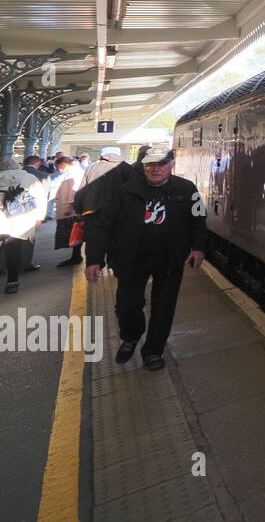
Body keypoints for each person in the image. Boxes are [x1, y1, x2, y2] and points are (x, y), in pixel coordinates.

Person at [85, 148, 206, 370]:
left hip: (170, 259)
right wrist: (94, 259)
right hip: (132, 258)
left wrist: (198, 247)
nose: (155, 168)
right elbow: (103, 226)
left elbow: (199, 218)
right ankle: (131, 334)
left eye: (161, 164)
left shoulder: (187, 189)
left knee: (164, 307)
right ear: (143, 166)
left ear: (171, 164)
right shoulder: (124, 192)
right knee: (126, 305)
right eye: (150, 164)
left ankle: (153, 352)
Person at [1, 158, 46, 294]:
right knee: (13, 250)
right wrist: (40, 217)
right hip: (21, 219)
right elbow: (40, 198)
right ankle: (12, 282)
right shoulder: (29, 177)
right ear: (17, 166)